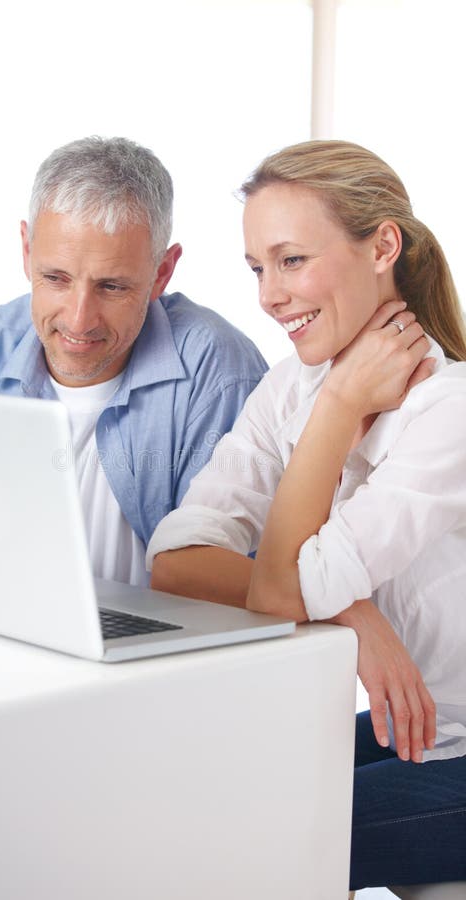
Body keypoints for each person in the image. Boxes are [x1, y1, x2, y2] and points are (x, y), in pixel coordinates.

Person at [148, 140, 466, 889]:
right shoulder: (291, 385)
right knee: (187, 792)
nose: (268, 294)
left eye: (291, 260)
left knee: (255, 841)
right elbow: (178, 561)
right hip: (425, 732)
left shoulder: (445, 409)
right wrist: (351, 611)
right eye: (258, 268)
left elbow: (278, 595)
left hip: (458, 747)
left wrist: (338, 409)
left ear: (382, 245)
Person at [0, 136, 267, 581]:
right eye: (55, 278)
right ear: (26, 251)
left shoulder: (217, 372)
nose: (78, 320)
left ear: (162, 273)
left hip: (157, 647)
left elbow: (242, 570)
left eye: (112, 286)